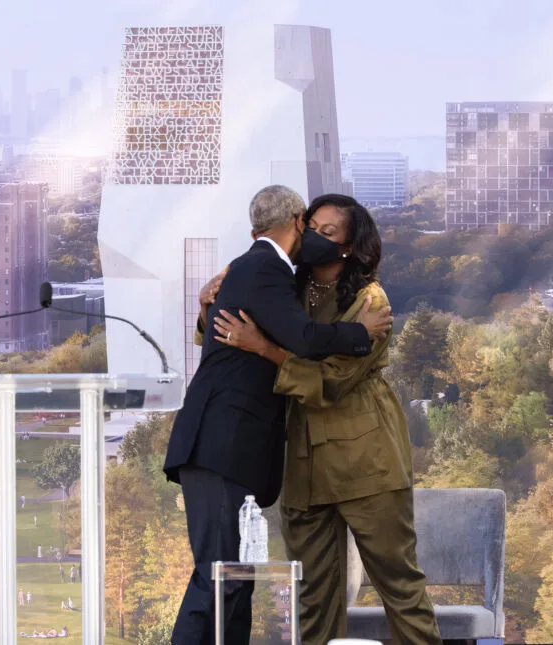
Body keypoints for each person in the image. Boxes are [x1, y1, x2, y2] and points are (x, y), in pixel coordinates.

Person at [203, 194, 440, 645]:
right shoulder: (284, 286)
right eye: (310, 227)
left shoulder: (371, 302)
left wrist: (264, 348)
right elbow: (225, 326)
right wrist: (207, 304)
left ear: (348, 247)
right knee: (313, 598)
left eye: (328, 233)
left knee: (399, 589)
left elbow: (332, 380)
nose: (313, 237)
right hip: (303, 469)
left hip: (366, 463)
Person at [163, 185, 393, 645]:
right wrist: (360, 332)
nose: (313, 234)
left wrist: (209, 305)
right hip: (219, 446)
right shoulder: (264, 267)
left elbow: (245, 320)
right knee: (217, 578)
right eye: (311, 225)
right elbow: (304, 337)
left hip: (228, 450)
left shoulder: (261, 269)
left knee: (233, 580)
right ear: (296, 219)